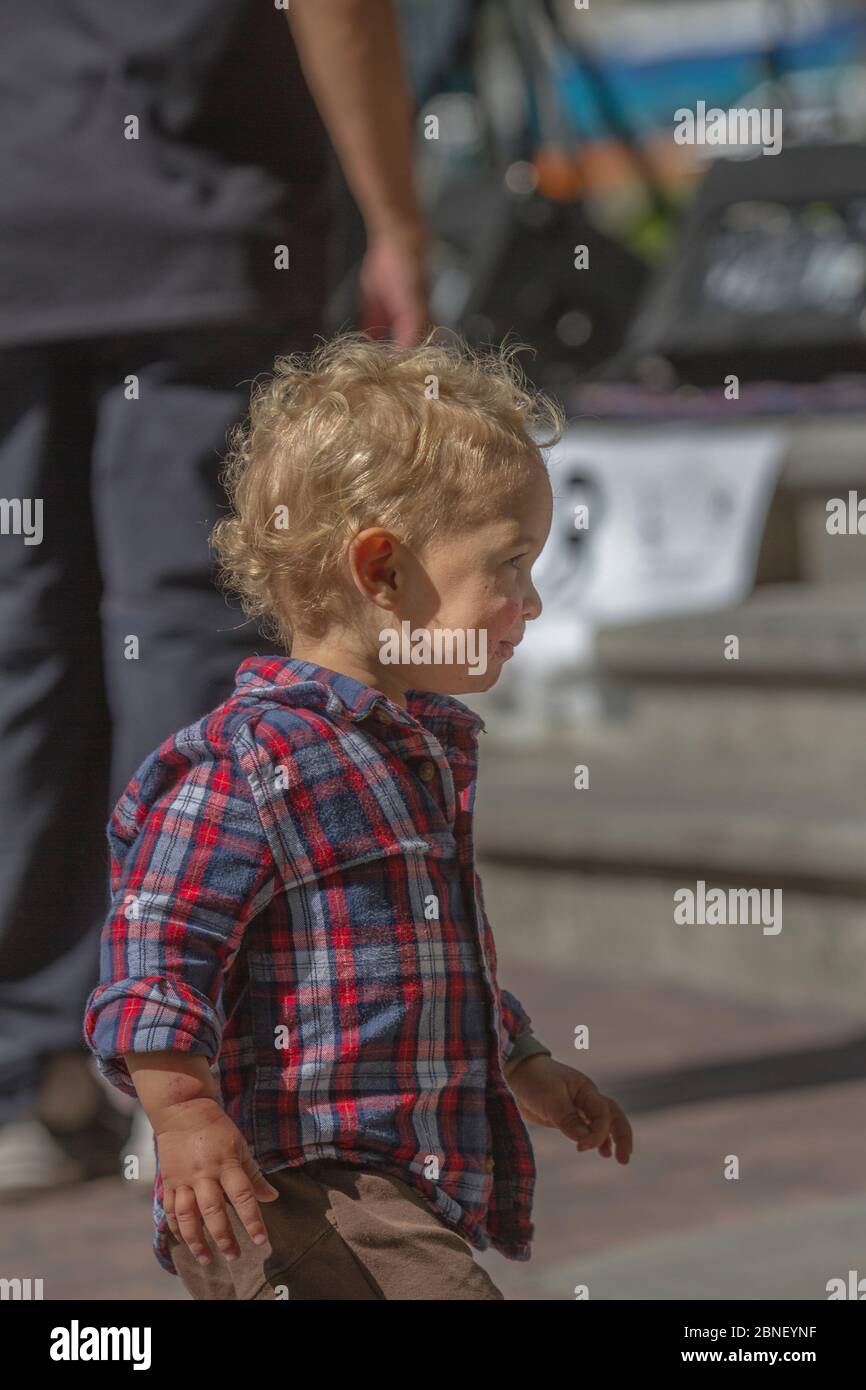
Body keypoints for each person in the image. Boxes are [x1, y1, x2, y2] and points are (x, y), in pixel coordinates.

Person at [83, 331, 633, 1299]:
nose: (531, 601)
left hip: (383, 1181)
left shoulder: (404, 750)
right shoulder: (254, 764)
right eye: (508, 564)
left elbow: (422, 959)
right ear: (381, 572)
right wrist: (184, 1116)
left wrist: (521, 1059)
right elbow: (155, 946)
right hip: (300, 1185)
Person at [0, 0, 429, 1191]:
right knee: (186, 633)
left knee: (21, 642)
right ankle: (186, 1059)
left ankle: (30, 1075)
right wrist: (394, 215)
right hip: (188, 225)